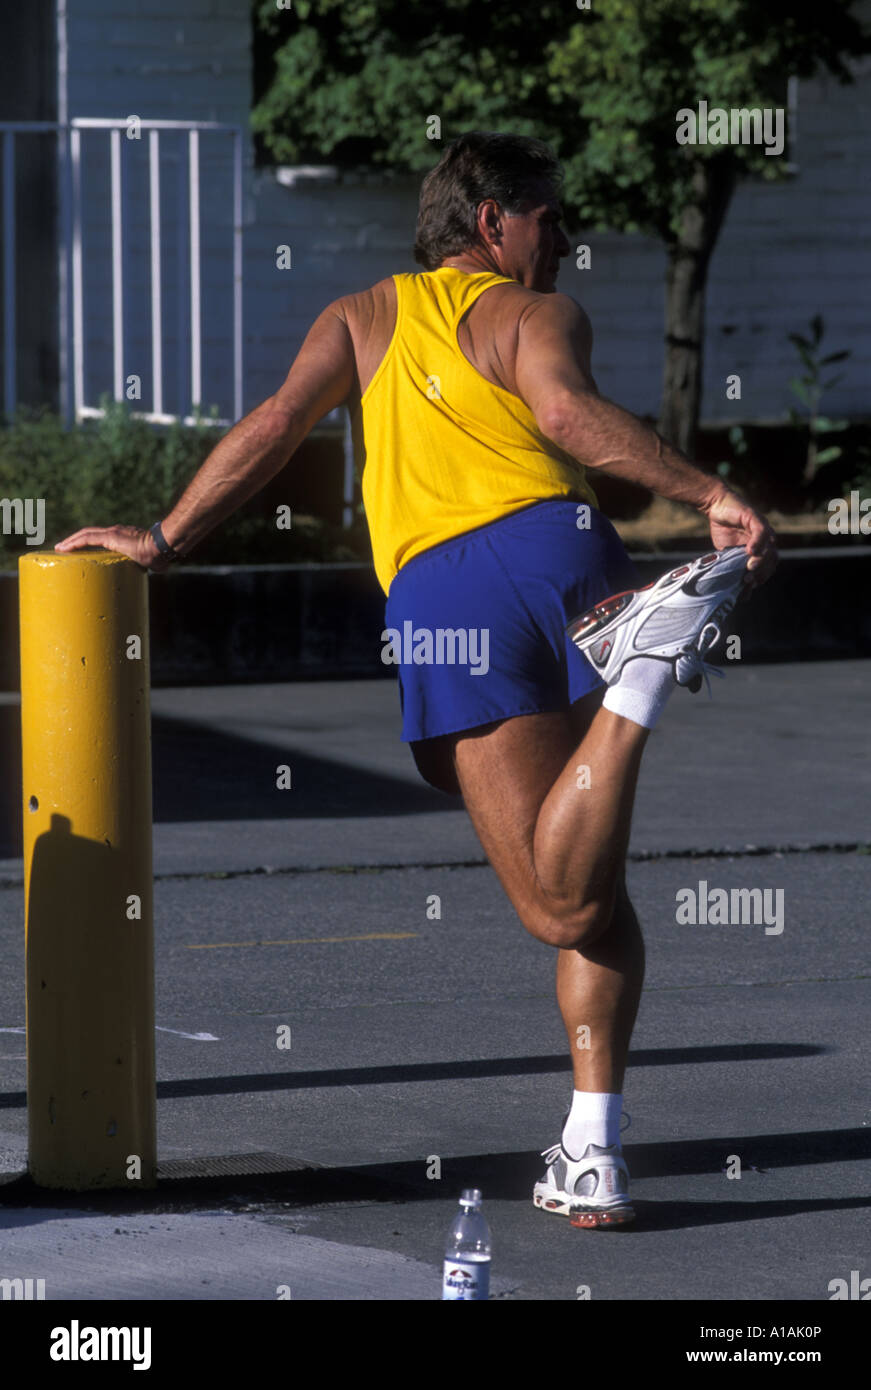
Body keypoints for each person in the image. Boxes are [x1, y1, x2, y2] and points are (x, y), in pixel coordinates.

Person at [55, 131, 777, 1227]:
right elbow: (566, 418)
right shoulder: (536, 316)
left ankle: (636, 684)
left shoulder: (359, 318)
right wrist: (705, 487)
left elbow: (275, 425)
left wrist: (162, 539)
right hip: (571, 557)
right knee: (588, 892)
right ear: (492, 220)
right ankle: (593, 1149)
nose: (564, 239)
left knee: (556, 901)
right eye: (550, 217)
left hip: (450, 599)